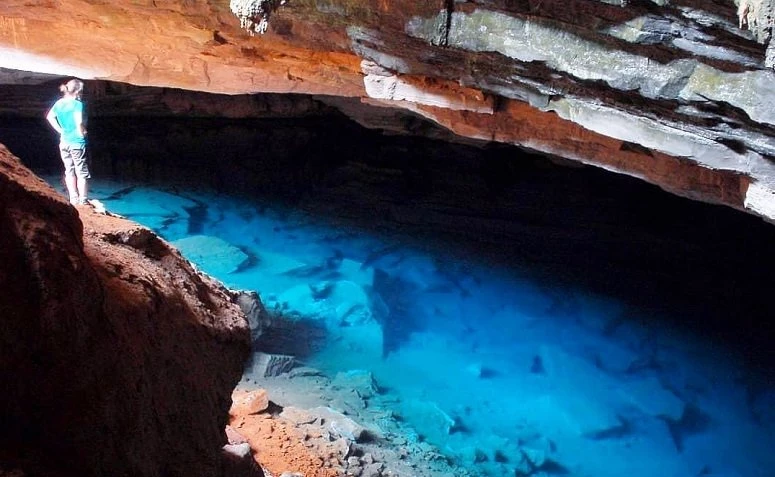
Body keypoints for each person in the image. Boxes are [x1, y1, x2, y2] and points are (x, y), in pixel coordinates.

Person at [46, 78, 89, 205]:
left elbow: (49, 117)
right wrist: (83, 132)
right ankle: (83, 199)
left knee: (69, 170)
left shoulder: (59, 103)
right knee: (81, 171)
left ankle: (73, 198)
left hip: (64, 141)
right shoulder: (77, 104)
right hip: (77, 141)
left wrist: (60, 130)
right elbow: (79, 121)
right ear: (78, 92)